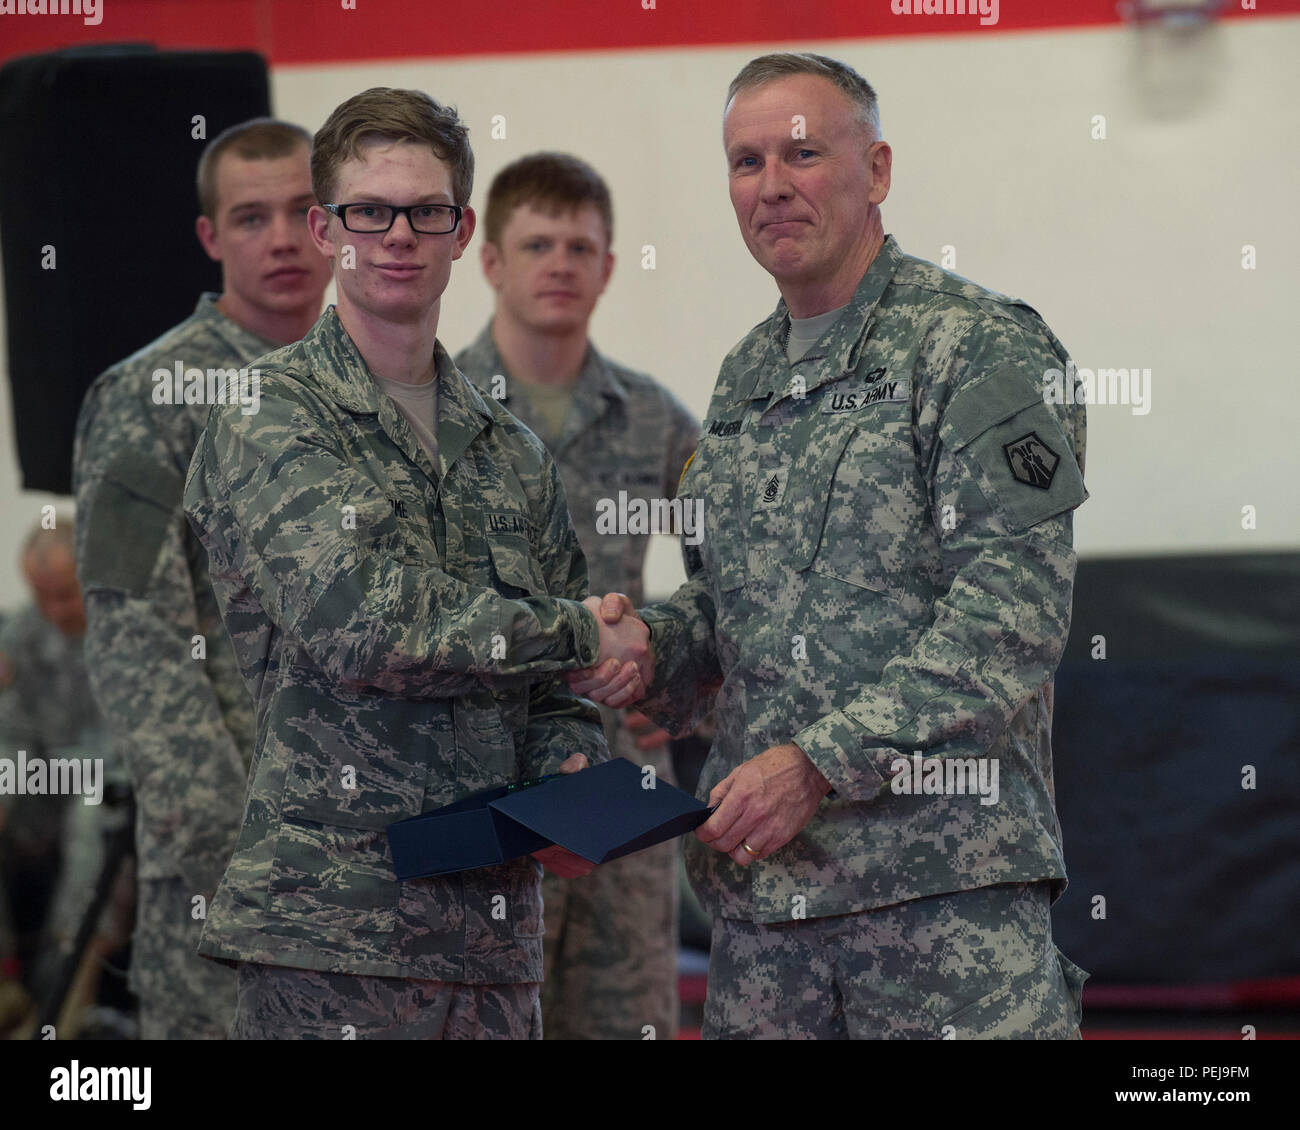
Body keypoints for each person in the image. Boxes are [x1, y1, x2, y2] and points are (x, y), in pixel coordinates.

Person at [572, 52, 1091, 1039]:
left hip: (943, 908)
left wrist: (815, 761)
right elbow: (731, 610)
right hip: (769, 920)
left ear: (877, 169)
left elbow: (1013, 614)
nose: (772, 185)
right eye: (746, 161)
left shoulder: (976, 347)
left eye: (803, 153)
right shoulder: (741, 377)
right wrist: (648, 648)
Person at [182, 88, 650, 1040]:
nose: (398, 235)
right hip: (332, 941)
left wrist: (569, 768)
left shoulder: (511, 448)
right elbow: (363, 624)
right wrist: (577, 630)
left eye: (426, 212)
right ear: (326, 229)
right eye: (369, 212)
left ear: (459, 229)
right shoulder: (269, 413)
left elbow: (559, 687)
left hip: (491, 947)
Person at [73, 118, 334, 1039]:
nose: (280, 238)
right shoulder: (150, 399)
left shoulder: (382, 384)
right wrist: (238, 854)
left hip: (383, 878)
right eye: (250, 216)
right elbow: (138, 649)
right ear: (210, 238)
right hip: (234, 879)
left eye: (303, 211)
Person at [454, 152, 699, 1040]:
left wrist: (688, 677)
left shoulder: (655, 416)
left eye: (580, 246)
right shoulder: (435, 415)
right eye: (537, 243)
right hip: (483, 767)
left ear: (607, 265)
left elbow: (737, 574)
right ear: (491, 262)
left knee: (627, 1019)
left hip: (624, 770)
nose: (560, 262)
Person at [0, 520, 123, 1015]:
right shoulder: (24, 635)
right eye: (41, 596)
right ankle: (6, 980)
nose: (55, 611)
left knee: (91, 816)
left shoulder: (131, 627)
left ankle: (63, 993)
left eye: (66, 596)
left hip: (109, 787)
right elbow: (12, 734)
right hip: (47, 782)